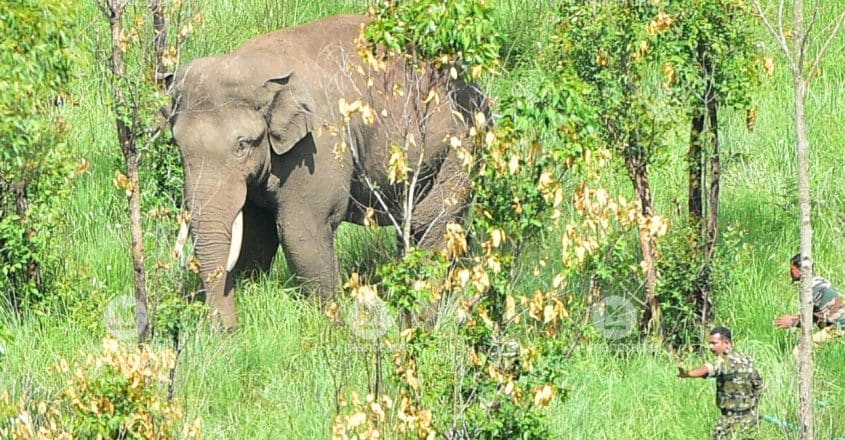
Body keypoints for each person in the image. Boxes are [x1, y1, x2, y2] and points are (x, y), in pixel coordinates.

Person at [678, 327, 764, 439]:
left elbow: (709, 368)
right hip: (750, 418)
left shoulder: (724, 361)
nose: (711, 347)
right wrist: (752, 406)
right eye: (710, 344)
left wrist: (689, 374)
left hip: (729, 420)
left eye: (714, 343)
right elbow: (759, 385)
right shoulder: (747, 360)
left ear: (727, 343)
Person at [773, 253, 845, 353]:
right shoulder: (820, 282)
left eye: (792, 268)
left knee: (799, 351)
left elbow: (809, 319)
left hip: (839, 328)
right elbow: (818, 315)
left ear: (800, 269)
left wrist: (792, 322)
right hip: (838, 326)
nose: (790, 271)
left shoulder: (810, 289)